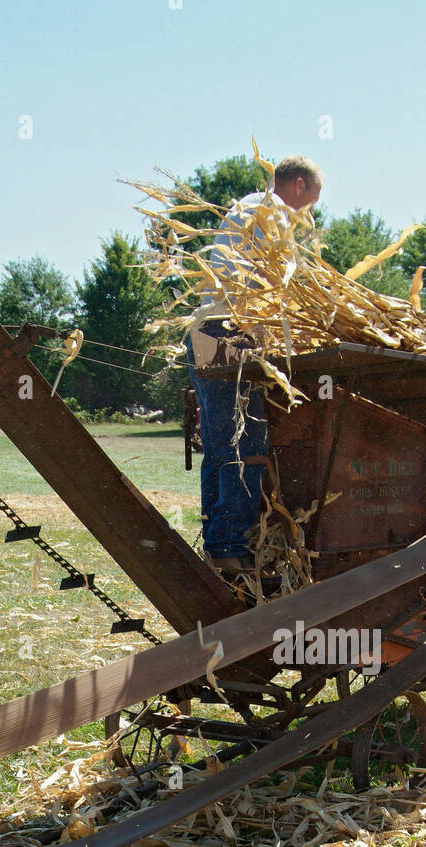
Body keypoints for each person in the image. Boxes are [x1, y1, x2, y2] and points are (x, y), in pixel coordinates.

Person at [186, 156, 323, 576]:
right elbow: (281, 285)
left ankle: (217, 544)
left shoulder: (243, 208)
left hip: (203, 331)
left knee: (219, 445)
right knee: (247, 445)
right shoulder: (274, 213)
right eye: (311, 202)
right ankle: (231, 548)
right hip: (233, 335)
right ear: (297, 186)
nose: (307, 216)